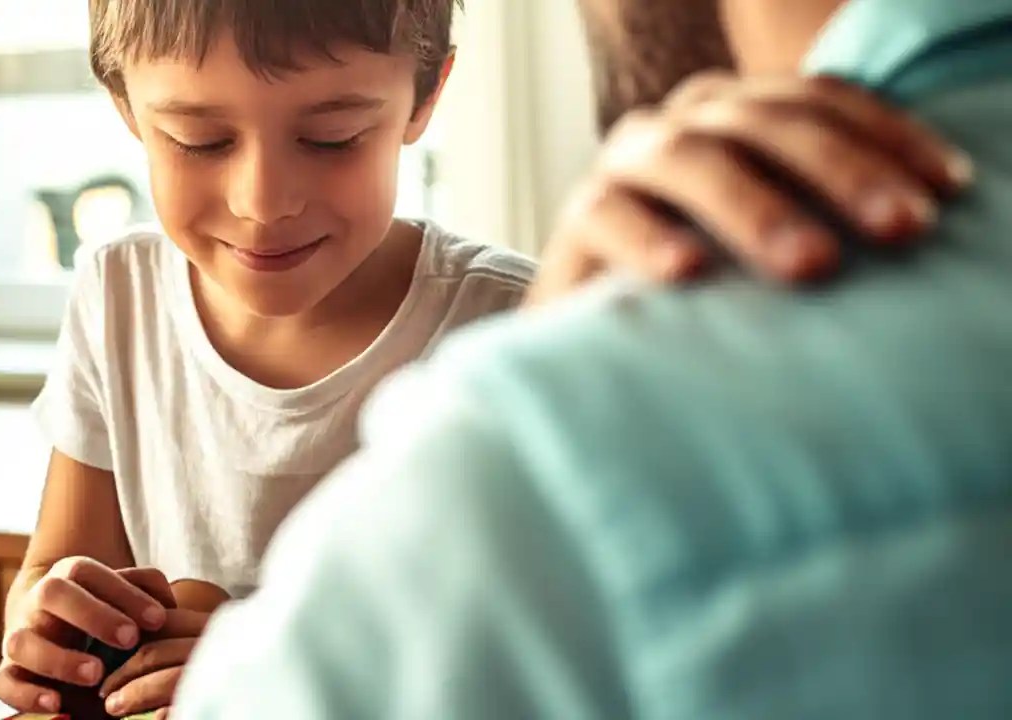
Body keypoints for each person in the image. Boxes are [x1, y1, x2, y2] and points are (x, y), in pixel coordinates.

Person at [175, 0, 1012, 718]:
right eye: (198, 138)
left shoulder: (544, 483)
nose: (263, 202)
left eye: (333, 136)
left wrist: (554, 392)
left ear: (426, 100)